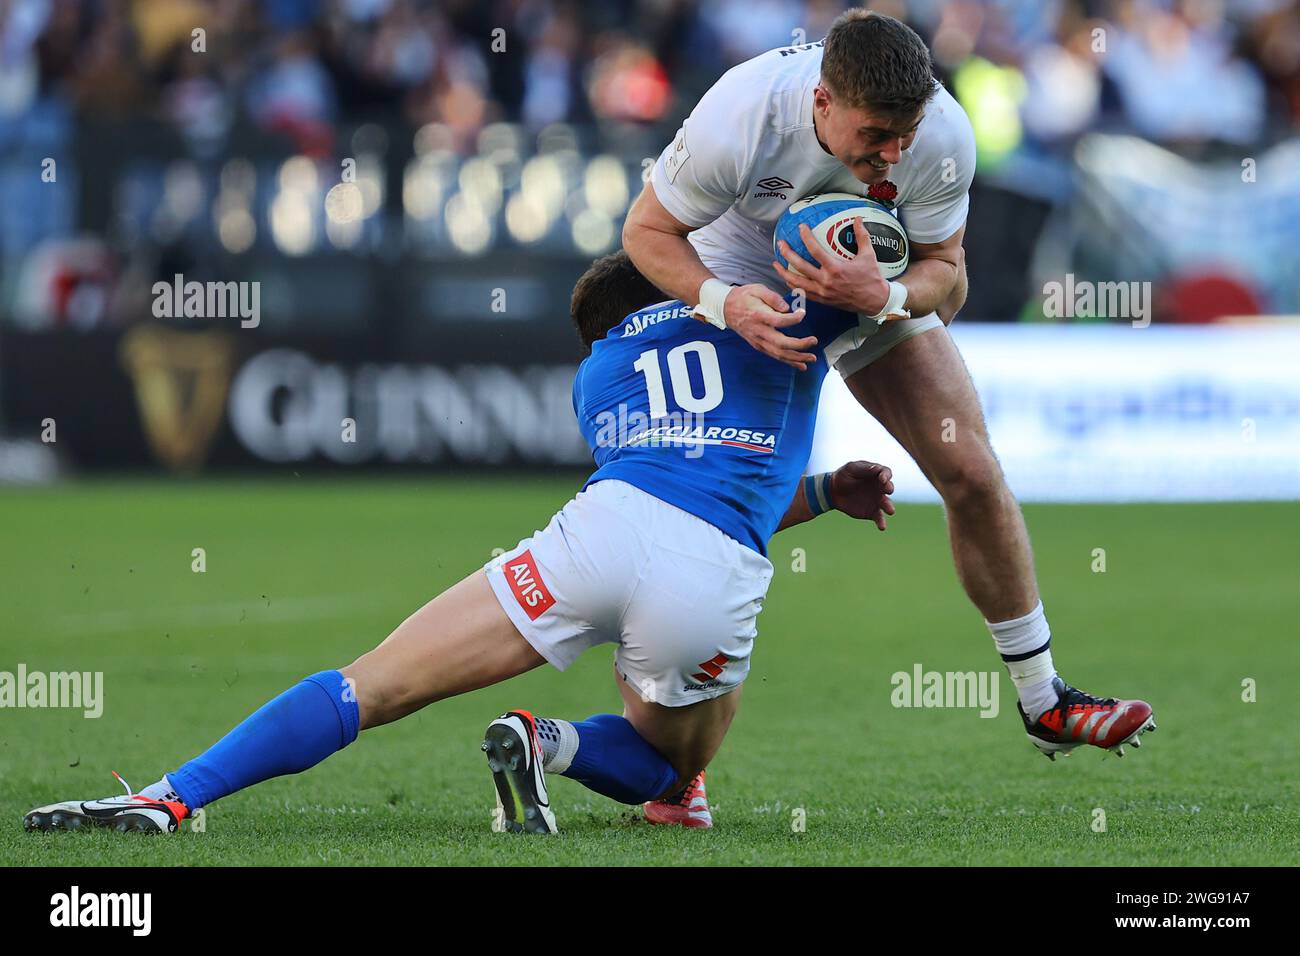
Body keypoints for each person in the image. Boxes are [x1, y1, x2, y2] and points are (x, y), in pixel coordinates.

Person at [22, 251, 904, 836]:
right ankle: (553, 742)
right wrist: (827, 479)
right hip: (706, 571)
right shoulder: (763, 325)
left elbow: (674, 475)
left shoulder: (597, 378)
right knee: (675, 773)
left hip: (597, 534)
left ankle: (170, 796)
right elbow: (726, 488)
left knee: (371, 681)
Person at [621, 9, 1155, 764]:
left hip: (871, 280)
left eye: (904, 135)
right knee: (698, 510)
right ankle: (676, 764)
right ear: (821, 103)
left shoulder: (941, 131)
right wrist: (725, 302)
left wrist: (887, 297)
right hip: (738, 276)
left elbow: (947, 273)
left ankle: (1045, 700)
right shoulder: (742, 110)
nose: (892, 156)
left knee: (971, 471)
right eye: (875, 137)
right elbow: (645, 234)